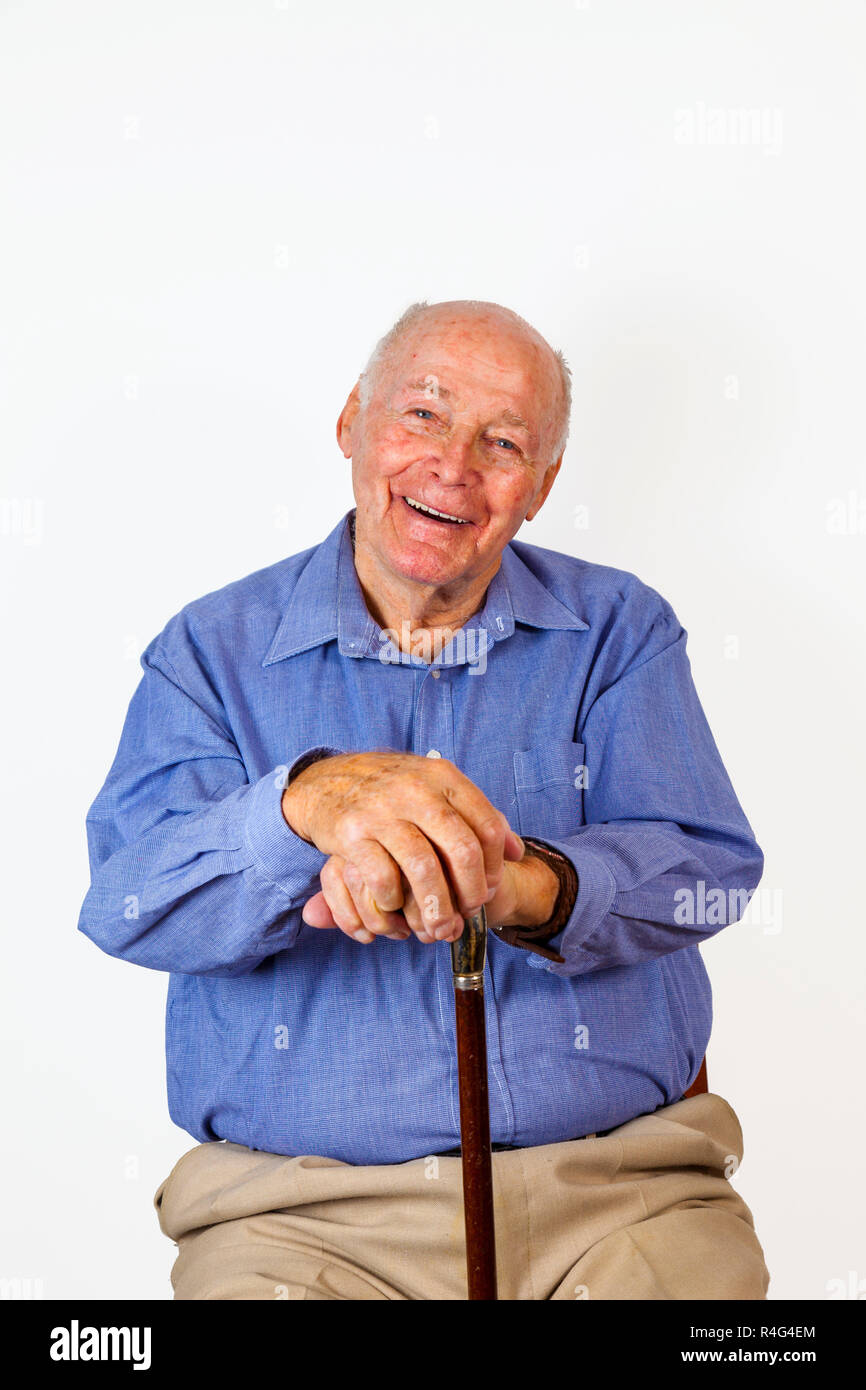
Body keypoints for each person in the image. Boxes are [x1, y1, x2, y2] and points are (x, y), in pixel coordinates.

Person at [78, 298, 770, 1300]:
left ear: (540, 485)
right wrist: (297, 810)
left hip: (618, 1195)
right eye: (422, 416)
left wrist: (528, 886)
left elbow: (708, 865)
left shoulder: (619, 629)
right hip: (294, 1216)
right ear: (350, 421)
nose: (453, 464)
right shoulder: (207, 652)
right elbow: (127, 900)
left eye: (502, 441)